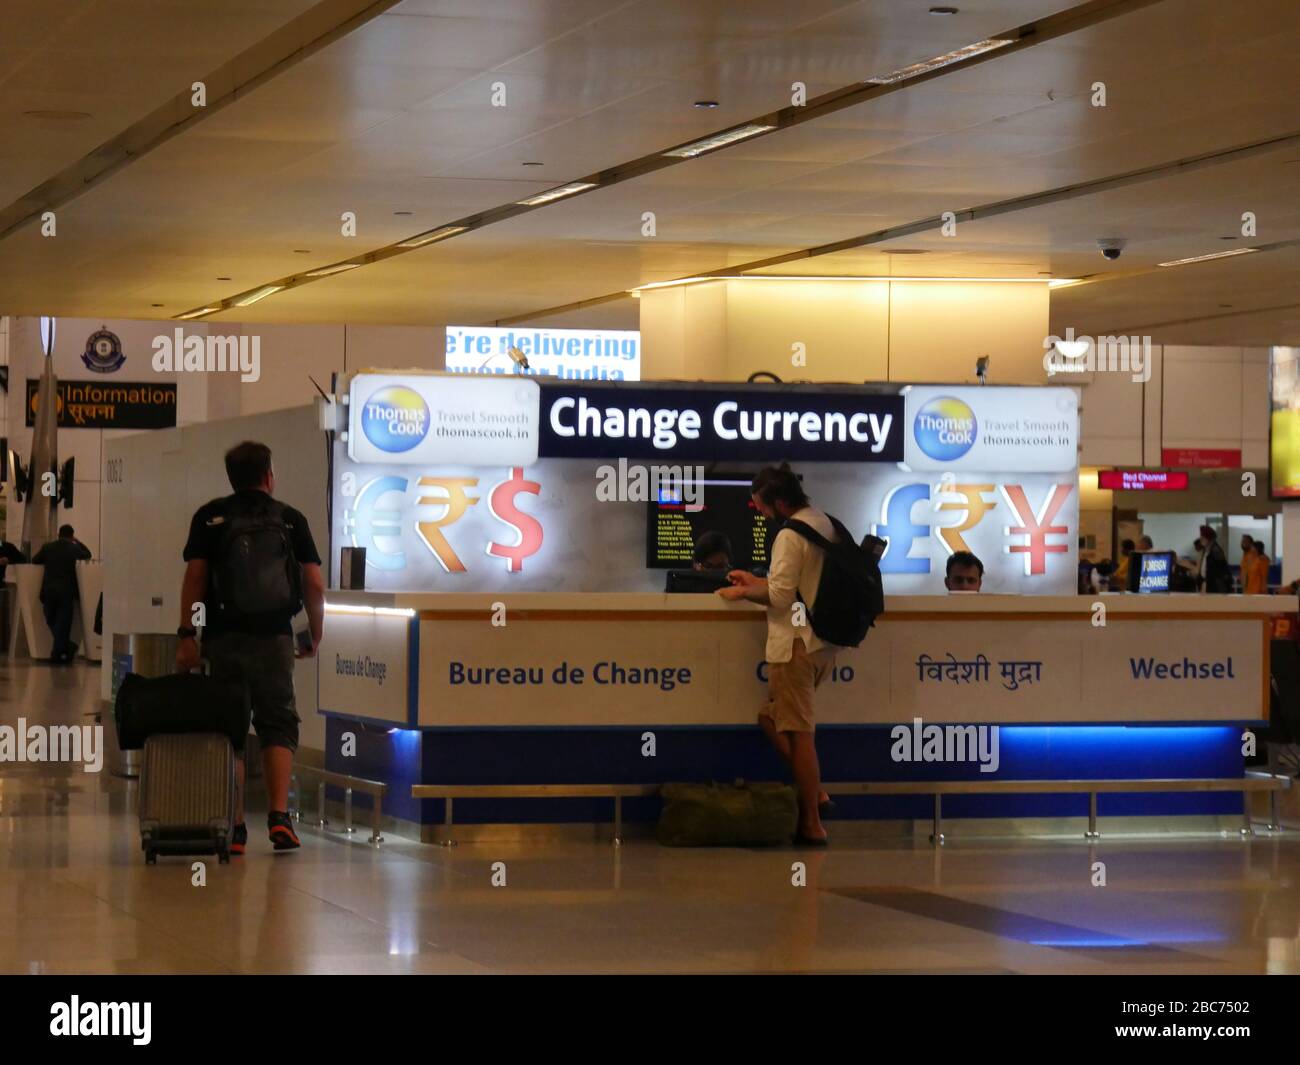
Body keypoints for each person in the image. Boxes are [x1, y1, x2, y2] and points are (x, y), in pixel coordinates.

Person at [177, 441, 325, 855]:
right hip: (277, 638)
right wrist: (314, 632)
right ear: (269, 475)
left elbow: (195, 581)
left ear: (232, 477)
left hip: (224, 638)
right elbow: (313, 584)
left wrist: (188, 635)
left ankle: (236, 825)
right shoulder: (290, 520)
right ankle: (279, 816)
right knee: (277, 722)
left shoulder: (210, 518)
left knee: (231, 725)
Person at [716, 464, 840, 846]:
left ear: (780, 502)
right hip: (822, 643)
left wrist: (745, 593)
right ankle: (814, 791)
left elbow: (782, 597)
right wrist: (757, 582)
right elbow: (802, 584)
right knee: (771, 717)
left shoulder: (789, 535)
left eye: (764, 507)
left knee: (800, 735)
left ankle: (812, 823)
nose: (762, 514)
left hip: (794, 646)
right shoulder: (823, 522)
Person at [33, 525, 92, 662]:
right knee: (63, 622)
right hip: (67, 590)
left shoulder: (48, 547)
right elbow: (88, 555)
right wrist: (78, 542)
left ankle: (59, 651)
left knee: (50, 618)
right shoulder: (74, 548)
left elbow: (35, 560)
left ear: (59, 534)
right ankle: (64, 648)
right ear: (72, 535)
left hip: (49, 589)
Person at [1199, 525, 1231, 594]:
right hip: (1207, 584)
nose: (1200, 539)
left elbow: (1221, 571)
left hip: (1214, 587)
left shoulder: (1216, 551)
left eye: (1203, 537)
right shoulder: (1206, 551)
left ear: (1209, 538)